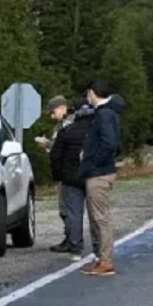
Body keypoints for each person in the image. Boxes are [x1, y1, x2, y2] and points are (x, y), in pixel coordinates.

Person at [77, 79, 125, 276]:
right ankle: (100, 258)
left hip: (99, 173)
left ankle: (106, 260)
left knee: (100, 217)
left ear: (93, 93)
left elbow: (110, 143)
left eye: (88, 93)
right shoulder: (106, 113)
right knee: (96, 217)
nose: (87, 97)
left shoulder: (104, 115)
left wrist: (95, 162)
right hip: (99, 171)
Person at [49, 98, 94, 259]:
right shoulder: (95, 130)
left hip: (71, 177)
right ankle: (99, 247)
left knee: (74, 213)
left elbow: (56, 155)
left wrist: (58, 175)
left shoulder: (66, 131)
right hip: (92, 176)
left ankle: (75, 246)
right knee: (96, 212)